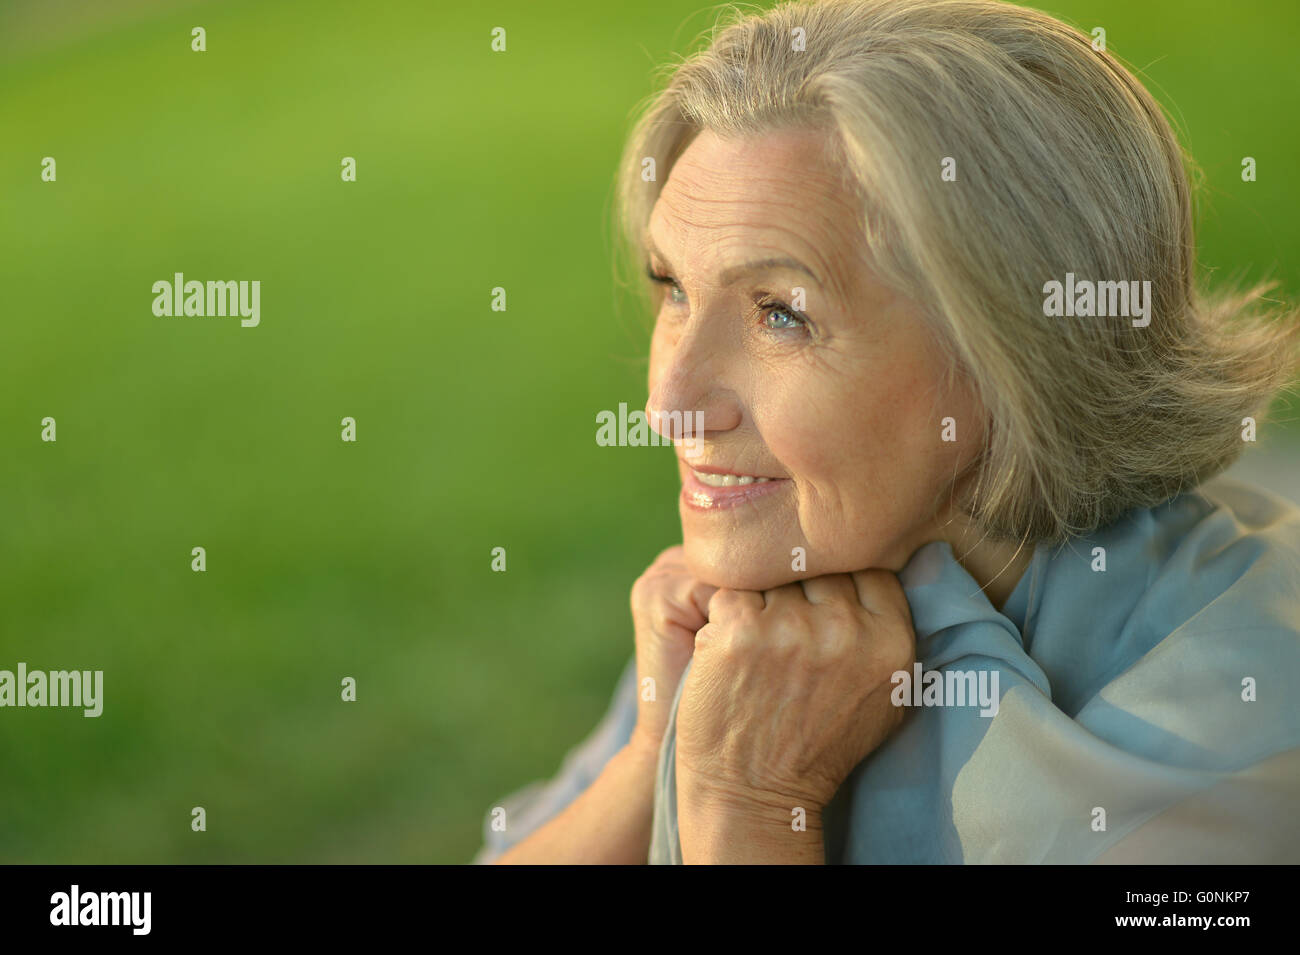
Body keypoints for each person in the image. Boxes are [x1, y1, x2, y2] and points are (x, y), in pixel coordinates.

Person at [475, 0, 1300, 863]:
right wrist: (655, 756)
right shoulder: (771, 597)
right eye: (673, 287)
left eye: (780, 315)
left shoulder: (1253, 707)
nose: (670, 403)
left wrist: (745, 802)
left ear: (1013, 352)